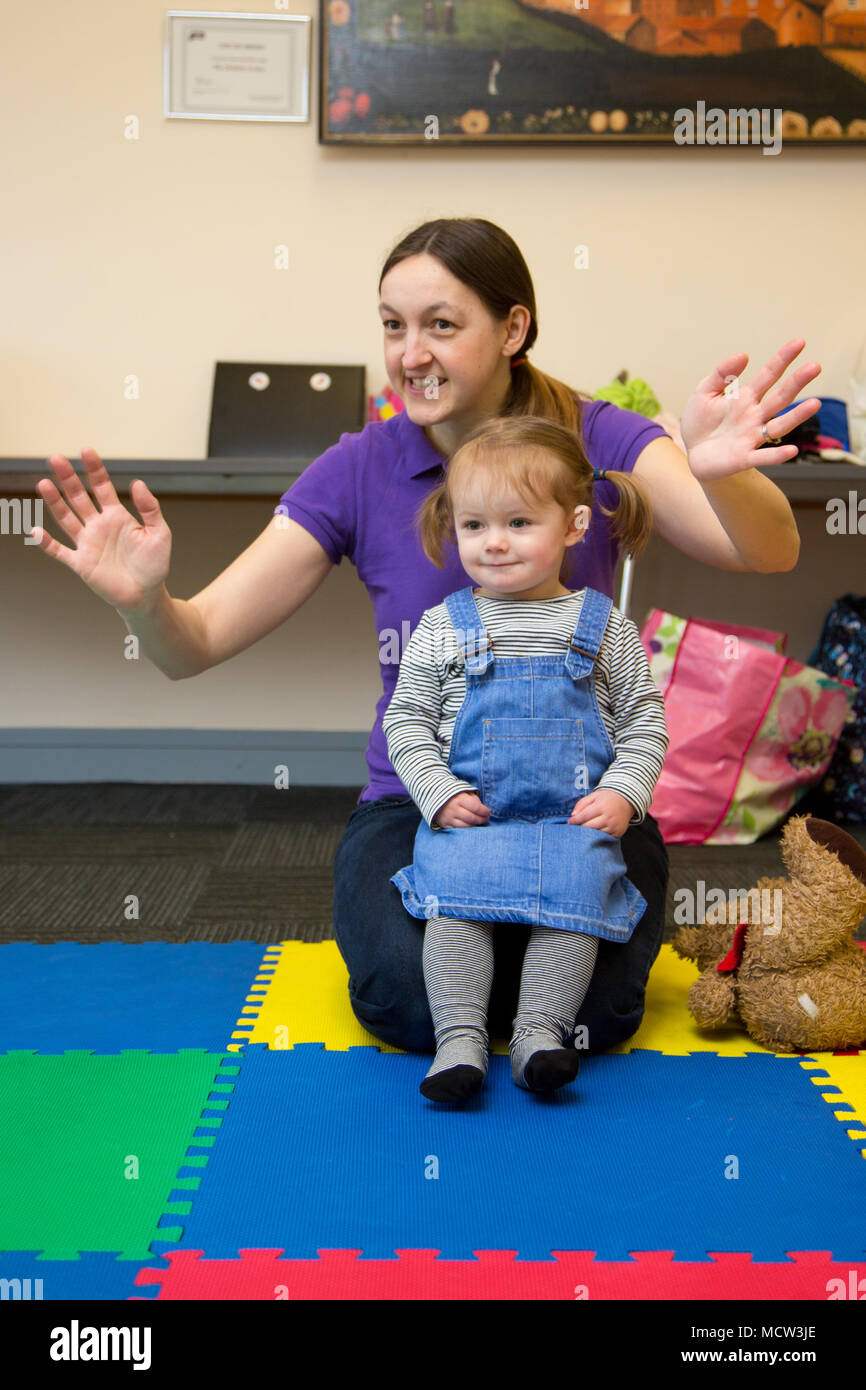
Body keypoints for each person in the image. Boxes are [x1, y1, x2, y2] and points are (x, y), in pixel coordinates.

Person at [29, 217, 818, 1061]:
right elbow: (195, 644)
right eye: (393, 325)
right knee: (408, 1007)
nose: (411, 353)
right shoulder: (357, 468)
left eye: (441, 324)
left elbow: (765, 550)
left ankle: (513, 964)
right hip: (420, 804)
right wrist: (146, 603)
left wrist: (721, 474)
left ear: (513, 329)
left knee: (600, 1015)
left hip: (580, 805)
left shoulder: (599, 436)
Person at [382, 413, 670, 1102]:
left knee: (574, 903)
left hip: (571, 825)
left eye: (518, 523)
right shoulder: (445, 626)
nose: (494, 544)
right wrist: (437, 792)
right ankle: (459, 1043)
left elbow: (645, 722)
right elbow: (408, 719)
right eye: (475, 526)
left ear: (573, 525)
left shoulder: (606, 629)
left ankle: (542, 1033)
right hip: (473, 823)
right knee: (454, 905)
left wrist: (625, 794)